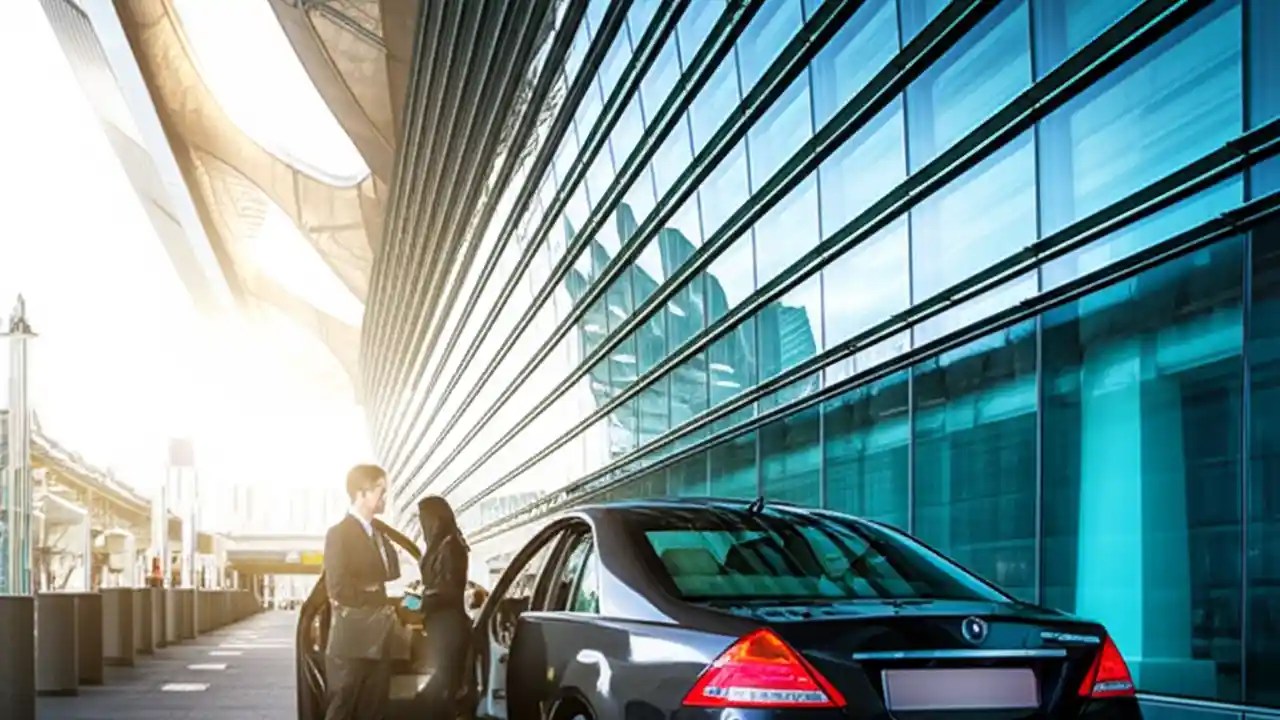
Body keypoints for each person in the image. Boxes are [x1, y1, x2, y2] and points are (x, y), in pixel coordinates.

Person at [323, 464, 401, 720]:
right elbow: (337, 586)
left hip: (378, 632)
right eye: (380, 490)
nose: (385, 498)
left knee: (375, 705)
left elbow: (391, 574)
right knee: (345, 703)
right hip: (354, 633)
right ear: (361, 493)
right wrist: (371, 599)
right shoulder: (339, 534)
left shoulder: (378, 533)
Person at [417, 495, 472, 719]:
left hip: (448, 625)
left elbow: (448, 591)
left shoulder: (451, 546)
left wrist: (416, 602)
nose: (420, 524)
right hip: (440, 623)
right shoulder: (442, 544)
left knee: (442, 689)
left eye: (422, 518)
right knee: (441, 687)